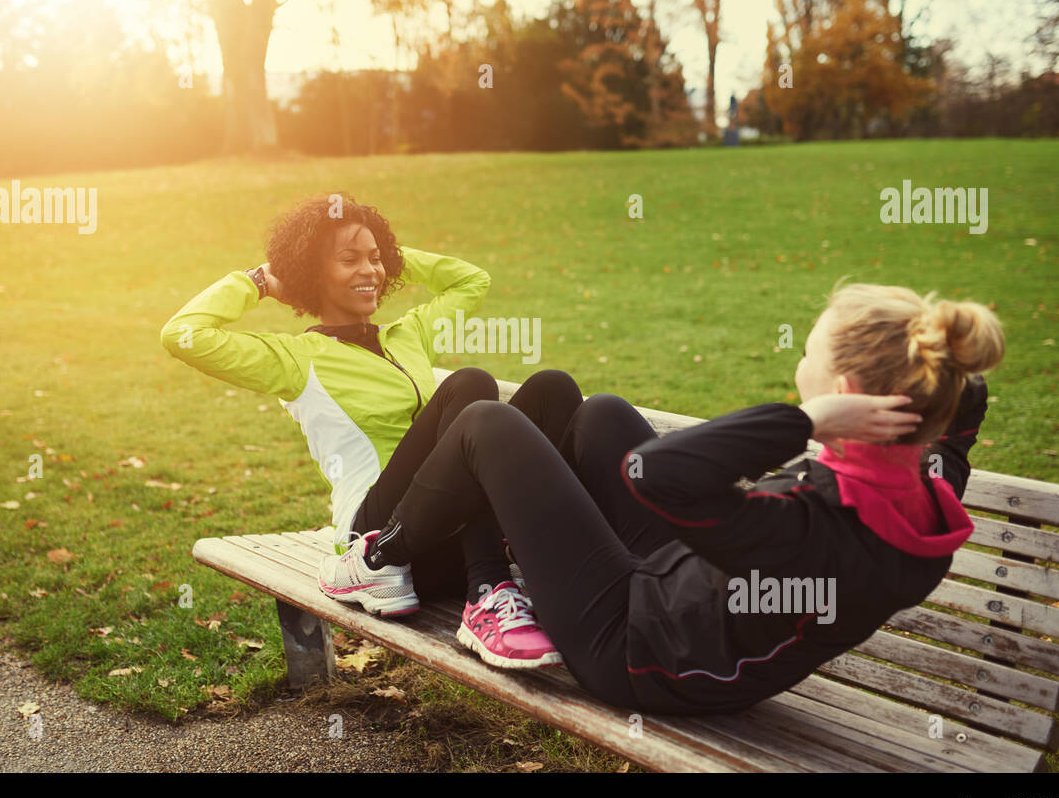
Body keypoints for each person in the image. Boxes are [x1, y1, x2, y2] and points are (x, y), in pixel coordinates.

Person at [337, 281, 1005, 709]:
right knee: (597, 414)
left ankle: (379, 557)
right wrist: (936, 370)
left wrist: (806, 420)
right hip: (688, 599)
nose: (799, 366)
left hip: (636, 647)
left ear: (847, 398)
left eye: (809, 355)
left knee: (487, 423)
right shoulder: (923, 489)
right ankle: (502, 559)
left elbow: (655, 475)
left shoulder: (812, 530)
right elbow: (960, 421)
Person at [161, 192, 582, 669]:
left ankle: (529, 570)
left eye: (376, 259)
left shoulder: (408, 335)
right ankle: (487, 591)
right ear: (311, 273)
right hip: (381, 545)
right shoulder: (294, 360)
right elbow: (182, 334)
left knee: (552, 389)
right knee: (472, 384)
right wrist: (259, 281)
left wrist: (390, 257)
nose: (370, 271)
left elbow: (470, 280)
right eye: (348, 260)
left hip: (449, 539)